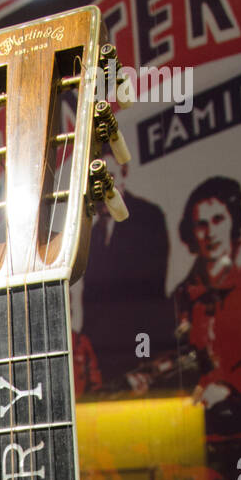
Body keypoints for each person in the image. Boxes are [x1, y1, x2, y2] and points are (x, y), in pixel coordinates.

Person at [172, 176, 241, 480]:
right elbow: (185, 357)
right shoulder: (183, 294)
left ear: (234, 220)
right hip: (208, 434)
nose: (210, 231)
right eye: (201, 224)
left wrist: (232, 388)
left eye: (218, 219)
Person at [82, 150, 174, 388]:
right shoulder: (90, 233)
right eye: (95, 181)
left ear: (123, 175)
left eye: (108, 177)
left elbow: (150, 292)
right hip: (103, 358)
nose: (101, 187)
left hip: (140, 353)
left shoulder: (148, 217)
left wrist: (145, 360)